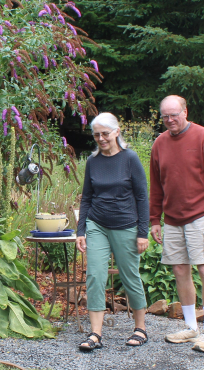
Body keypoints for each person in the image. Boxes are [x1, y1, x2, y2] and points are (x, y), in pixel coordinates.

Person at [149, 95, 204, 353]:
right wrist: (155, 219)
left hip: (201, 216)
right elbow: (156, 185)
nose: (170, 120)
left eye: (174, 114)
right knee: (180, 271)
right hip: (172, 219)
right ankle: (191, 327)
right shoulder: (160, 144)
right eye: (165, 116)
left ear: (185, 112)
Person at [75, 112, 149, 351]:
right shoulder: (93, 161)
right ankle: (95, 334)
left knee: (129, 276)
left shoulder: (130, 159)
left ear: (116, 132)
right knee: (95, 275)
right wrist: (81, 230)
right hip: (97, 224)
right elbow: (87, 197)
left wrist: (143, 233)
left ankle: (140, 328)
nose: (101, 139)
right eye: (96, 135)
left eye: (105, 134)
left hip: (126, 225)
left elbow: (142, 197)